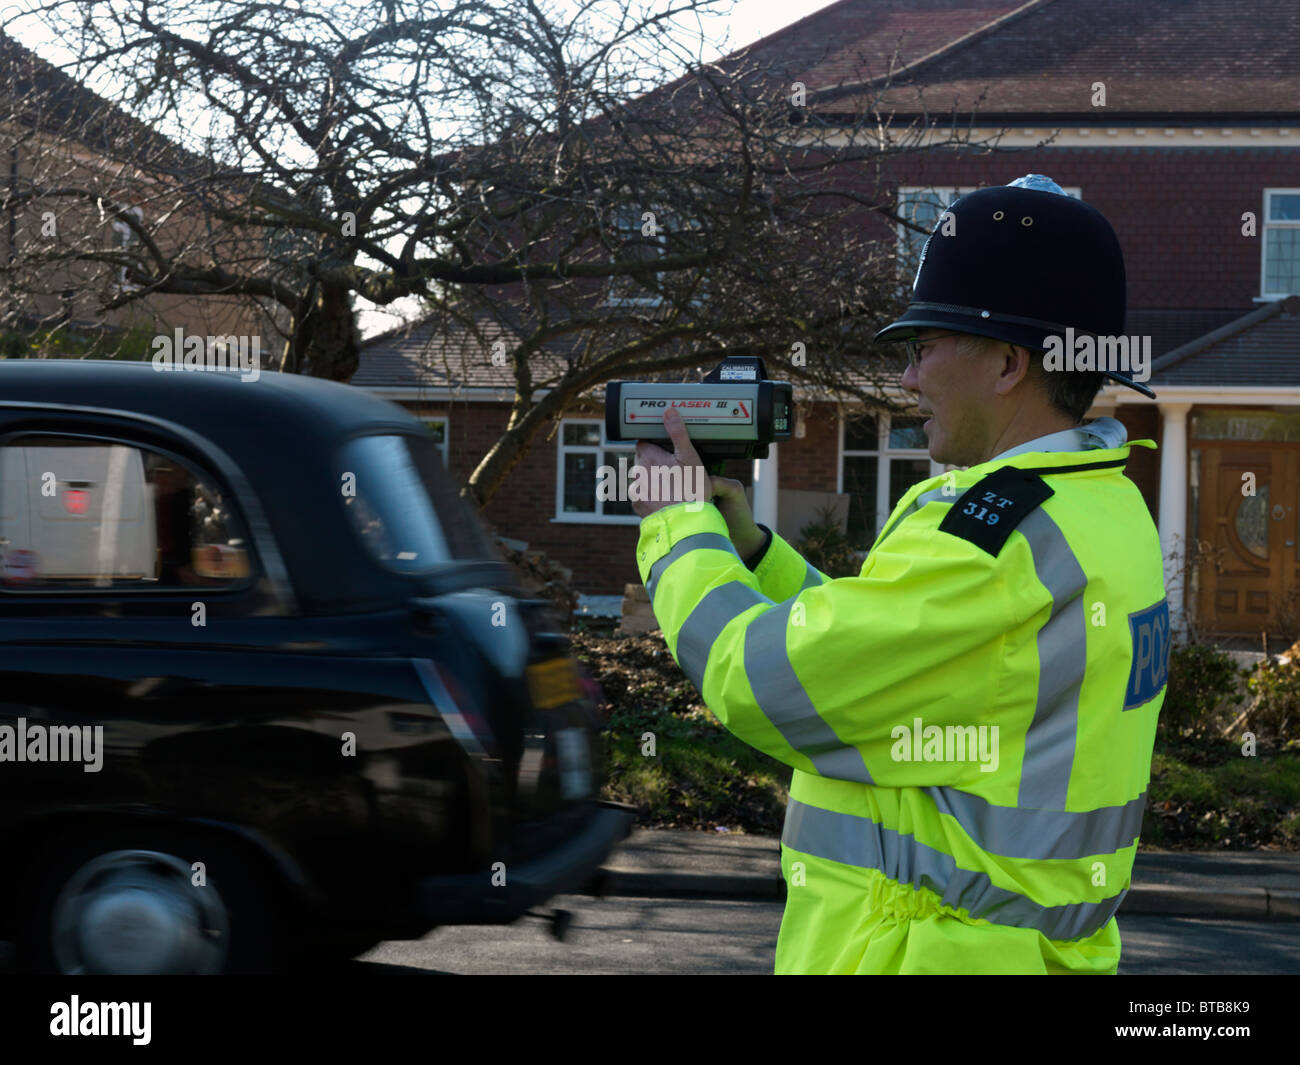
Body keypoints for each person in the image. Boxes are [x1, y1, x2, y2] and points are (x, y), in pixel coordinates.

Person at [629, 175, 1169, 975]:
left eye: (923, 349)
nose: (908, 379)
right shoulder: (1100, 508)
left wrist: (673, 523)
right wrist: (753, 555)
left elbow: (763, 679)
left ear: (1008, 363)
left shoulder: (996, 545)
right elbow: (892, 657)